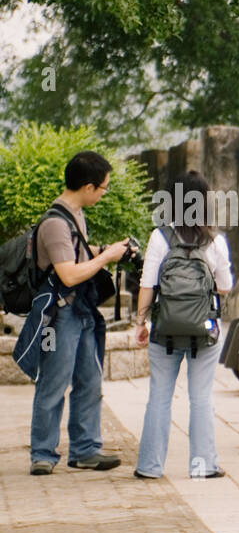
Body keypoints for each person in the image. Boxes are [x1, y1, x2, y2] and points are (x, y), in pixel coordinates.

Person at [21, 150, 131, 475]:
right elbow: (68, 274)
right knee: (54, 383)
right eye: (103, 188)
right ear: (87, 187)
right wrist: (105, 259)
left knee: (89, 380)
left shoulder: (75, 214)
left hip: (80, 311)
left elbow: (77, 255)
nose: (104, 193)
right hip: (58, 316)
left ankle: (85, 450)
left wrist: (110, 250)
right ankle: (42, 454)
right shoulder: (56, 223)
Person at [133, 170, 233, 480]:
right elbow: (226, 286)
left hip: (164, 330)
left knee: (159, 397)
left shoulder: (160, 237)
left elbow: (147, 284)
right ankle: (203, 466)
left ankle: (150, 467)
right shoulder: (215, 240)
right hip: (204, 330)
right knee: (201, 398)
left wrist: (140, 321)